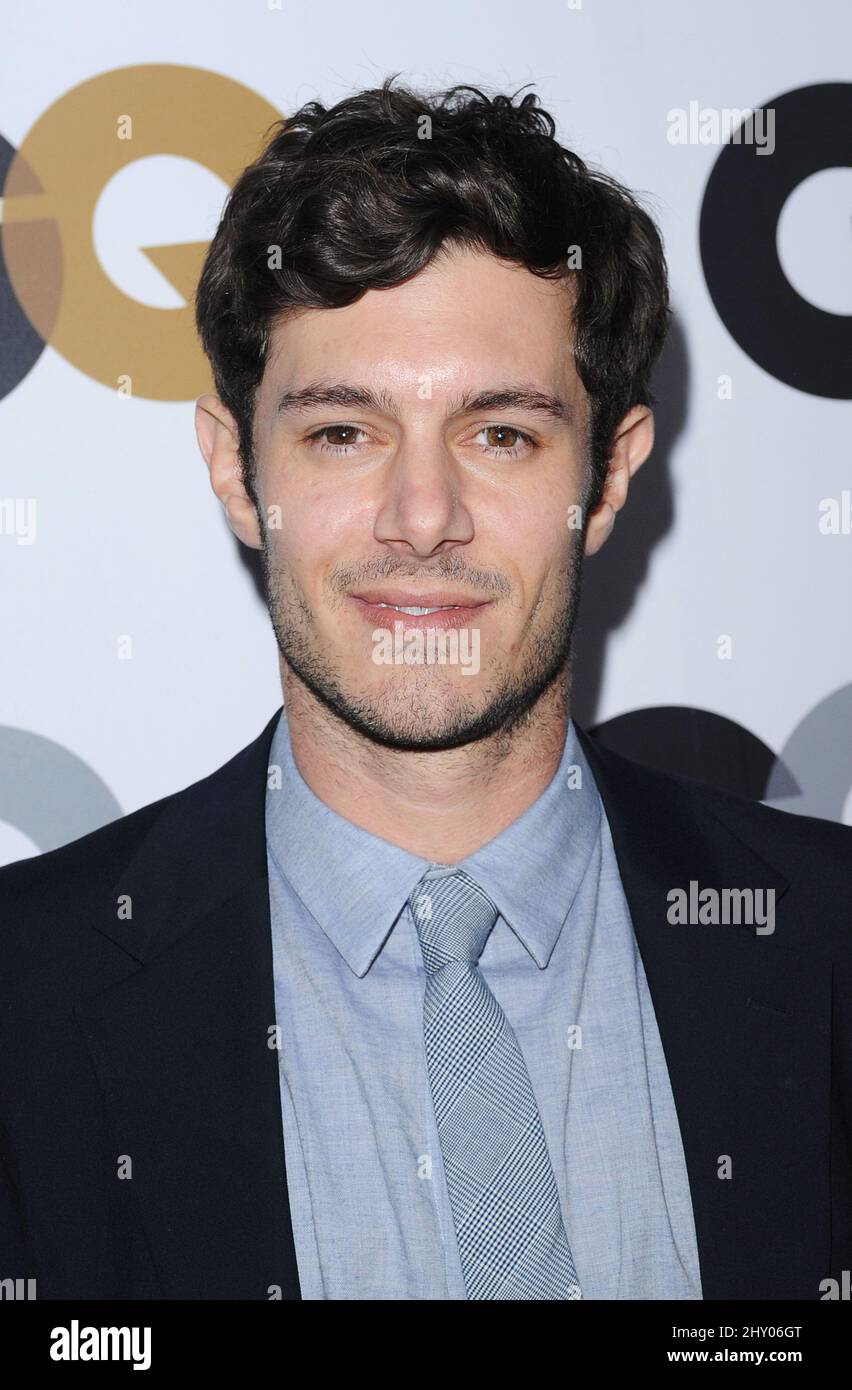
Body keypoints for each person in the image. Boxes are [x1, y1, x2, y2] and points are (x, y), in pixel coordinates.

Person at [1, 77, 850, 1302]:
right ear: (237, 474)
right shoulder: (25, 995)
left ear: (607, 480)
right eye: (342, 431)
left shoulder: (825, 938)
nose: (423, 518)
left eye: (500, 432)